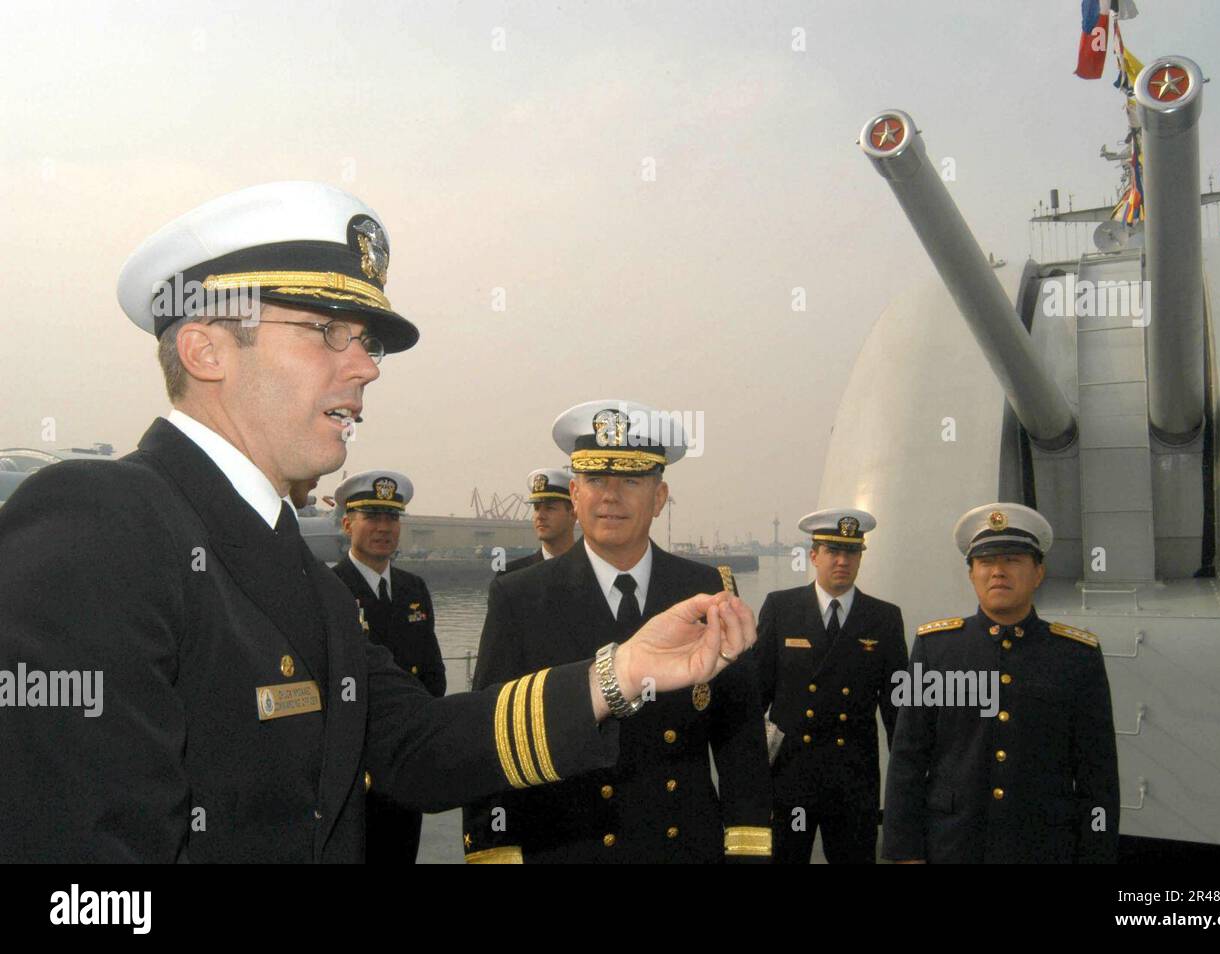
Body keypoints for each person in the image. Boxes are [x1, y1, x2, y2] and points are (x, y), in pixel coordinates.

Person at [0, 183, 756, 863]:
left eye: (369, 342)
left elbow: (417, 749)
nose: (367, 367)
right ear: (206, 349)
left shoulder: (315, 591)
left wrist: (620, 674)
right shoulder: (100, 525)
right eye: (331, 331)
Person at [463, 400, 772, 863]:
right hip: (567, 846)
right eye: (595, 479)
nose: (611, 496)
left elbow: (739, 738)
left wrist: (747, 848)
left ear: (660, 497)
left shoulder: (706, 592)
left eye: (631, 479)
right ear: (574, 495)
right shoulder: (520, 597)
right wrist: (496, 852)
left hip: (682, 848)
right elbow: (494, 737)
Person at [881, 503, 1120, 863]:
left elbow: (1097, 772)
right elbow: (908, 759)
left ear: (1038, 572)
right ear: (971, 574)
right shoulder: (935, 649)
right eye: (986, 562)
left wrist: (1097, 854)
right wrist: (905, 852)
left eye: (1012, 560)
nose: (998, 572)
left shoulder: (1076, 656)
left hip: (1043, 849)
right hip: (953, 846)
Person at [755, 508, 907, 864]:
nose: (842, 561)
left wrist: (905, 791)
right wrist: (749, 776)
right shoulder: (781, 608)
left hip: (853, 782)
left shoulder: (883, 618)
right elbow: (756, 695)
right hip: (791, 780)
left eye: (851, 552)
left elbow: (897, 712)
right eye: (832, 551)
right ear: (813, 555)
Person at [331, 469, 447, 862]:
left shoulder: (414, 589)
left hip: (406, 761)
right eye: (372, 517)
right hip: (354, 767)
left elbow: (433, 674)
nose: (384, 527)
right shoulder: (330, 589)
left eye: (392, 518)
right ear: (348, 523)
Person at [500, 467, 577, 574]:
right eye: (536, 508)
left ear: (573, 513)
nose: (540, 516)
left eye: (549, 508)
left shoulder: (595, 572)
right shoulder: (511, 575)